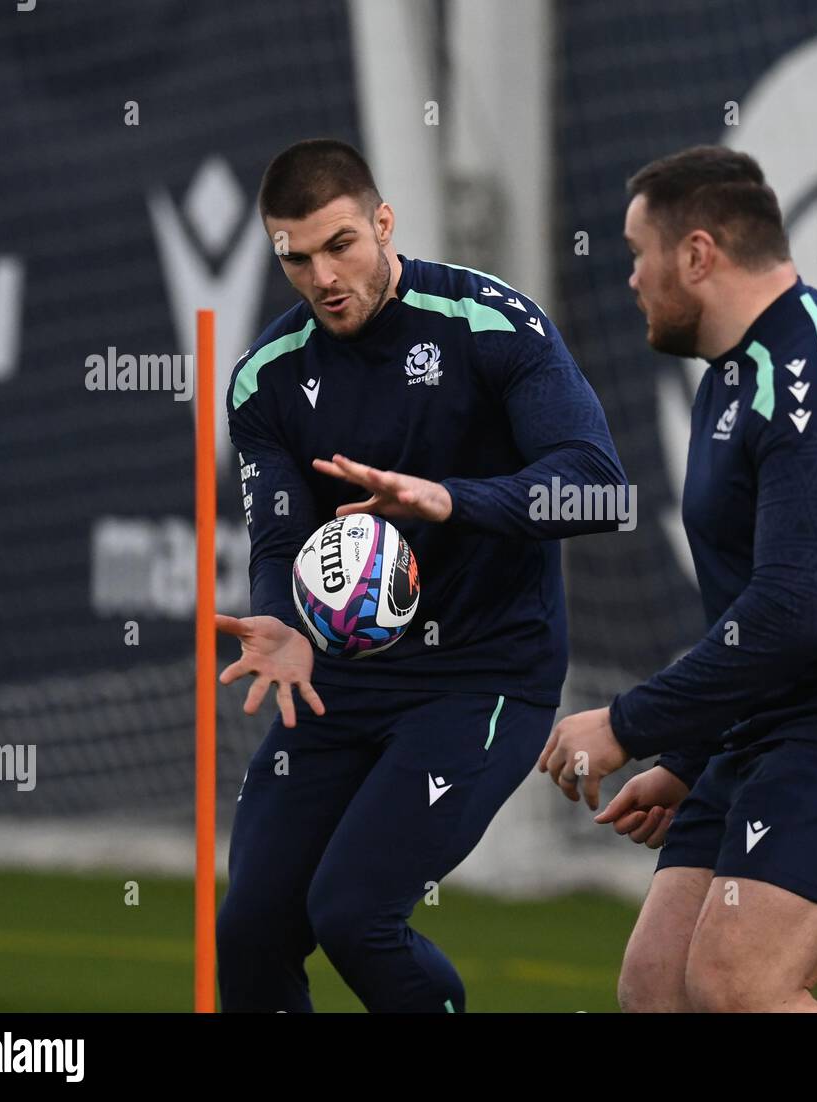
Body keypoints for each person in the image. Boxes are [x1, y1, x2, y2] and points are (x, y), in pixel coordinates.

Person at [539, 145, 817, 1012]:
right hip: (775, 729)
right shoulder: (729, 377)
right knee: (658, 988)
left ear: (698, 254)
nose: (630, 278)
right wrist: (692, 757)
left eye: (639, 253)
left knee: (737, 985)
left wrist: (630, 724)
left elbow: (793, 613)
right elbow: (751, 612)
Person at [216, 138, 626, 1012]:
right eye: (295, 258)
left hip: (484, 677)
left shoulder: (491, 323)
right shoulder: (264, 382)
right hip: (343, 683)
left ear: (384, 224)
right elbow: (278, 540)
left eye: (340, 245)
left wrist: (452, 501)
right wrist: (277, 619)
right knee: (248, 932)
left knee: (354, 914)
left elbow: (599, 491)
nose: (322, 276)